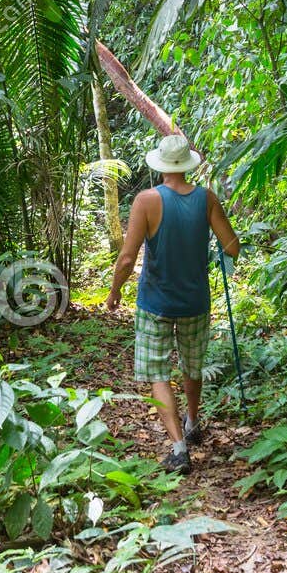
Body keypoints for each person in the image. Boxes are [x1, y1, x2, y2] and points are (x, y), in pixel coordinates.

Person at [104, 133, 240, 473]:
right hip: (195, 300)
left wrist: (114, 291)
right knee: (192, 366)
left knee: (157, 373)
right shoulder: (206, 199)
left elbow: (126, 258)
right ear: (187, 166)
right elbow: (233, 248)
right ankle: (192, 422)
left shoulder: (146, 201)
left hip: (155, 303)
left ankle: (179, 448)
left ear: (161, 166)